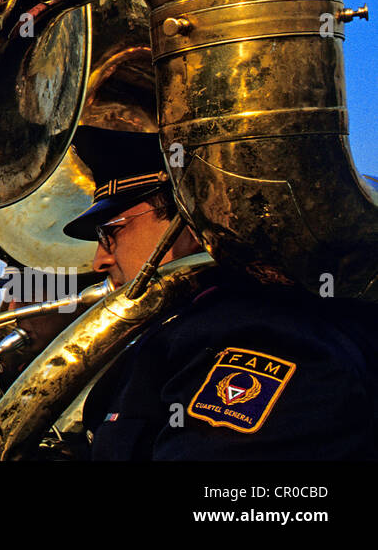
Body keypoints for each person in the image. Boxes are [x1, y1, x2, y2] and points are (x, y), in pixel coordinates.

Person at [65, 127, 378, 460]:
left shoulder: (263, 338)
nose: (100, 260)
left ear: (190, 216)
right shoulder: (188, 333)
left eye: (110, 233)